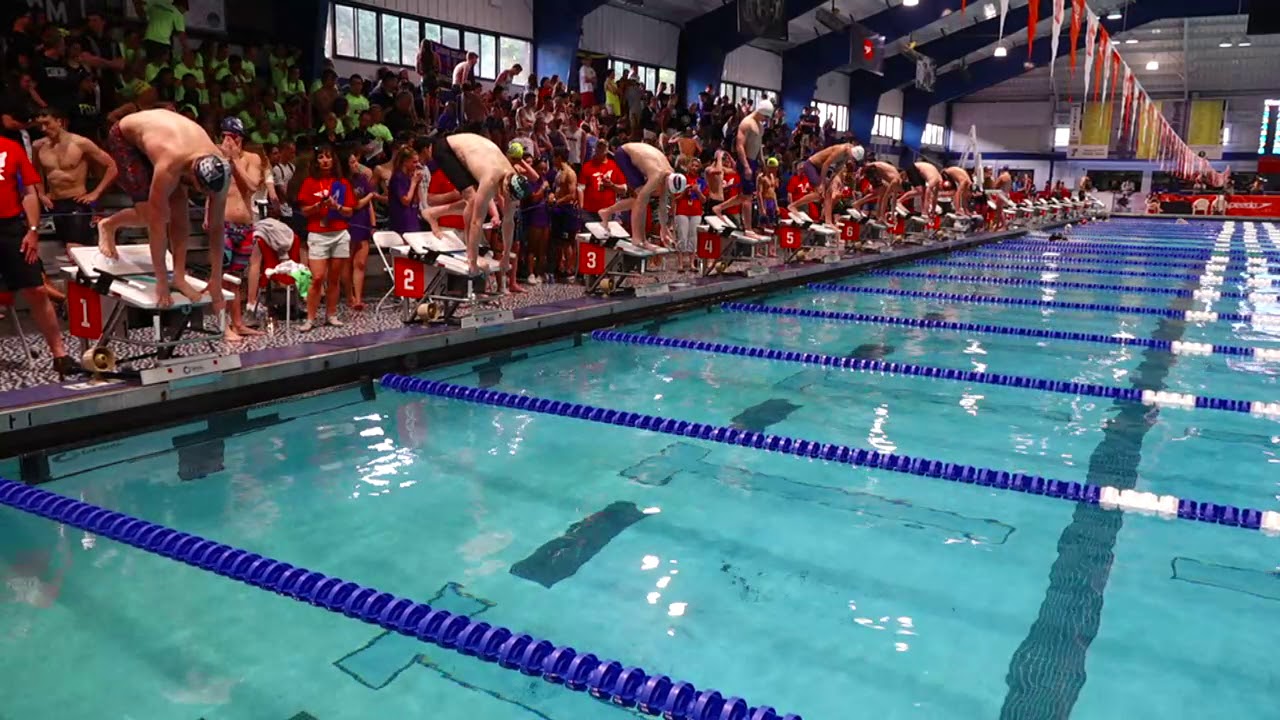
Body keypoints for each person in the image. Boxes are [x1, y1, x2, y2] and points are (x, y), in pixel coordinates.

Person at [97, 108, 232, 310]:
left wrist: (216, 278)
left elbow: (217, 227)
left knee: (180, 211)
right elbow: (157, 226)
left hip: (169, 137)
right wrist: (161, 282)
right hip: (126, 138)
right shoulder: (169, 166)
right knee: (147, 215)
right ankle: (108, 225)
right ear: (193, 176)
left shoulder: (222, 168)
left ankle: (179, 277)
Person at [0, 133, 74, 376]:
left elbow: (29, 193)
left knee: (37, 289)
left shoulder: (11, 148)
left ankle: (59, 354)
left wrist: (33, 231)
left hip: (10, 228)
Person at [422, 132, 533, 280]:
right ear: (507, 185)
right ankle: (469, 253)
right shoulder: (491, 178)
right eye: (506, 195)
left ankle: (433, 213)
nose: (506, 199)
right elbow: (476, 222)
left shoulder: (513, 181)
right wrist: (473, 261)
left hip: (474, 151)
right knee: (473, 200)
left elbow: (509, 221)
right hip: (445, 148)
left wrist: (506, 256)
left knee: (476, 202)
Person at [209, 117, 275, 341]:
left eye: (233, 137)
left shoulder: (252, 158)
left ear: (241, 139)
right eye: (225, 136)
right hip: (224, 223)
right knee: (221, 277)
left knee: (236, 278)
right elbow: (211, 188)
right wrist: (209, 212)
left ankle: (237, 323)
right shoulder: (215, 158)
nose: (229, 141)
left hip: (246, 224)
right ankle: (223, 326)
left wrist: (235, 160)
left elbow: (251, 186)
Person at [32, 108, 118, 249]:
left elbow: (112, 166)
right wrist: (41, 194)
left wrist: (95, 193)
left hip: (76, 201)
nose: (43, 128)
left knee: (74, 247)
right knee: (63, 247)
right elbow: (34, 171)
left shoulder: (81, 143)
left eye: (47, 123)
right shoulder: (38, 146)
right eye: (39, 125)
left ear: (59, 121)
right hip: (54, 203)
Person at [296, 143, 353, 331]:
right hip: (318, 235)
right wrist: (317, 207)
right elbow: (304, 211)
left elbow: (349, 211)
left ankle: (331, 314)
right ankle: (311, 318)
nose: (325, 160)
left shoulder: (342, 183)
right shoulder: (309, 182)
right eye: (321, 157)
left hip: (339, 234)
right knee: (318, 277)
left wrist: (336, 207)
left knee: (335, 278)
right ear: (316, 161)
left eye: (328, 157)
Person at [597, 142, 683, 248]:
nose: (665, 190)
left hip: (638, 154)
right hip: (624, 155)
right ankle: (638, 239)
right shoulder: (656, 176)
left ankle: (606, 212)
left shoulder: (670, 173)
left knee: (641, 198)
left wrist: (664, 230)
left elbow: (663, 204)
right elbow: (641, 202)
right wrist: (644, 241)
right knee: (641, 200)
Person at [712, 99, 772, 232]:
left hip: (753, 162)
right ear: (760, 111)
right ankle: (748, 228)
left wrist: (761, 160)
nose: (766, 119)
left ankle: (719, 208)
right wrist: (745, 166)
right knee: (748, 197)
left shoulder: (760, 125)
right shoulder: (746, 123)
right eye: (766, 116)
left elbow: (758, 145)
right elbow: (739, 146)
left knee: (744, 196)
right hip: (745, 161)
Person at [788, 142, 865, 225]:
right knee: (819, 193)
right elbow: (826, 164)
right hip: (811, 165)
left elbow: (837, 169)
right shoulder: (840, 150)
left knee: (829, 193)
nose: (852, 159)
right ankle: (792, 206)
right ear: (852, 151)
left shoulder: (847, 155)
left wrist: (830, 182)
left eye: (853, 158)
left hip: (820, 168)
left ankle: (828, 221)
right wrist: (822, 183)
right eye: (852, 157)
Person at [673, 156, 704, 273]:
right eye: (693, 165)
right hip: (682, 211)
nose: (694, 168)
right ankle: (680, 264)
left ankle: (692, 263)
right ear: (688, 166)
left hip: (696, 212)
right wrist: (684, 192)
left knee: (693, 237)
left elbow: (704, 200)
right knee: (682, 236)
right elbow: (676, 198)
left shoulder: (701, 181)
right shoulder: (681, 179)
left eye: (697, 166)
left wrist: (698, 191)